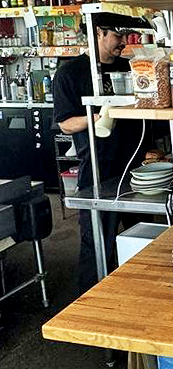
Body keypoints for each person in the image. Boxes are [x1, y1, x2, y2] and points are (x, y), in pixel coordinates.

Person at [53, 27, 146, 291]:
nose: (123, 42)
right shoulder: (70, 73)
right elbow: (65, 124)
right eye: (117, 36)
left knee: (143, 238)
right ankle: (90, 305)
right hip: (97, 169)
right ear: (98, 33)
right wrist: (96, 117)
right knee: (96, 244)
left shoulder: (130, 67)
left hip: (136, 170)